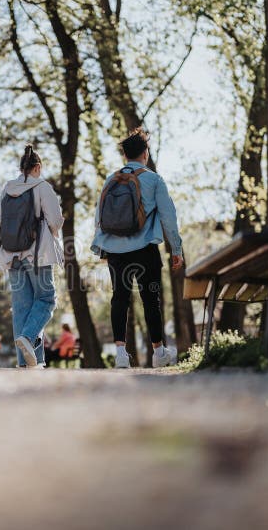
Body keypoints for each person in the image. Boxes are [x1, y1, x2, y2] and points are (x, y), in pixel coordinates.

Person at [91, 128, 183, 369]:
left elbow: (98, 217)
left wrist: (100, 248)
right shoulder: (153, 179)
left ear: (125, 155)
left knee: (119, 299)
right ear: (145, 153)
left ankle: (121, 354)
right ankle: (159, 353)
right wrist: (176, 249)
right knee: (151, 299)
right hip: (144, 249)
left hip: (114, 250)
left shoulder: (110, 180)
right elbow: (168, 217)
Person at [0, 144, 64, 368]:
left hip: (11, 254)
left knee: (22, 307)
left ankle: (29, 361)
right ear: (38, 167)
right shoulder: (42, 187)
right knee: (46, 299)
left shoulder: (7, 189)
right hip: (37, 253)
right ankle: (29, 337)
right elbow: (55, 220)